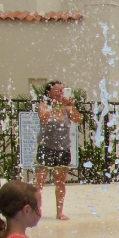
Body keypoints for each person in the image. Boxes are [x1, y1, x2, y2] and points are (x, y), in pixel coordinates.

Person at [34, 81, 81, 221]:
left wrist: (71, 106)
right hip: (46, 148)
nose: (60, 93)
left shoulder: (66, 107)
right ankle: (36, 209)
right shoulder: (44, 106)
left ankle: (59, 212)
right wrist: (58, 104)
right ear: (49, 93)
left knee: (60, 182)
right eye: (57, 91)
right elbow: (44, 118)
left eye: (62, 90)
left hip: (63, 149)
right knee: (39, 182)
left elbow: (78, 119)